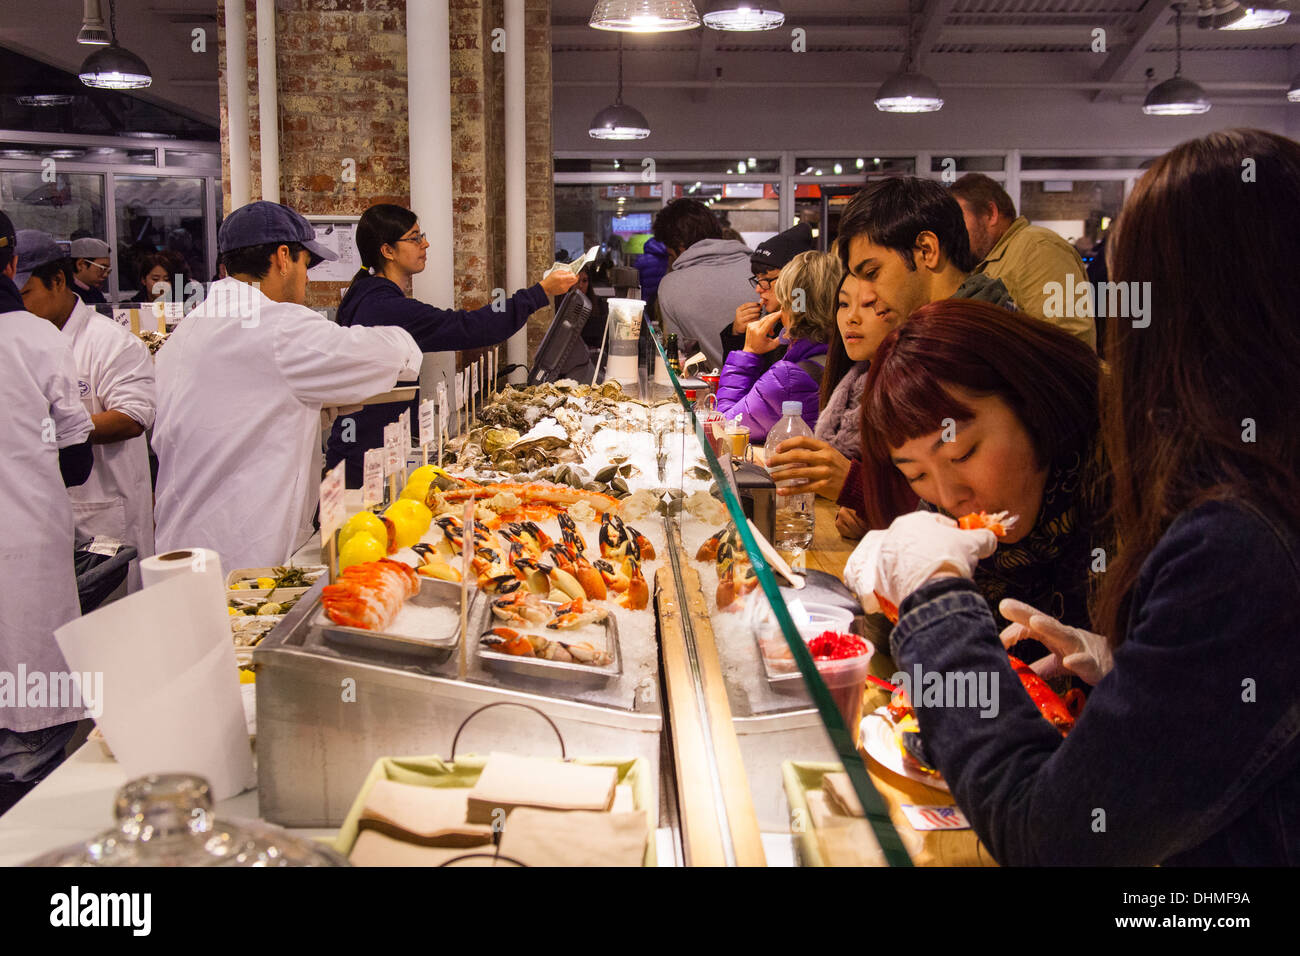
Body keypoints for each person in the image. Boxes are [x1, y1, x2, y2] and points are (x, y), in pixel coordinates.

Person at [845, 129, 1300, 865]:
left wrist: (934, 593)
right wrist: (1130, 667)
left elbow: (1050, 837)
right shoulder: (1250, 491)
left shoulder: (1233, 533)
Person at [153, 201, 425, 573]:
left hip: (181, 547)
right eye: (305, 264)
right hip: (243, 555)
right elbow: (382, 357)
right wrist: (406, 342)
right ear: (283, 257)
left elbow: (243, 407)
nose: (308, 278)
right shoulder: (277, 324)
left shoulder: (192, 326)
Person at [852, 299, 1106, 646]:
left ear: (1030, 405)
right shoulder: (945, 512)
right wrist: (888, 594)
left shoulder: (1136, 471)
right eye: (917, 476)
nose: (950, 497)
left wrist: (1122, 667)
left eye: (963, 453)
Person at [763, 178, 1017, 525]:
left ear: (927, 250)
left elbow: (978, 513)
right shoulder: (931, 341)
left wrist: (856, 486)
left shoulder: (976, 349)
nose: (865, 296)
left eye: (872, 272)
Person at [324, 204, 578, 487]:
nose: (425, 243)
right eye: (414, 238)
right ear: (388, 251)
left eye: (422, 235)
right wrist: (539, 292)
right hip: (366, 458)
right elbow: (471, 327)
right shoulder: (386, 307)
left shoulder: (366, 296)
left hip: (363, 448)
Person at [0, 212, 96, 813]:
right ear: (12, 265)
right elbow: (75, 460)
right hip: (24, 552)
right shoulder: (36, 339)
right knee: (30, 750)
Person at [16, 230, 156, 591]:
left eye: (25, 292)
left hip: (106, 515)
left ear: (58, 281)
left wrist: (57, 432)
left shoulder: (109, 342)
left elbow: (132, 417)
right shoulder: (21, 344)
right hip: (44, 517)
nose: (18, 304)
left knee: (116, 628)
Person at [949, 173, 1095, 348]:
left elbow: (1069, 338)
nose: (955, 233)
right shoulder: (994, 258)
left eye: (960, 221)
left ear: (990, 213)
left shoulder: (1037, 247)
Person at [714, 250, 839, 442]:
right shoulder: (846, 355)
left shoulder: (789, 377)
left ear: (794, 306)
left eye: (784, 304)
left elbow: (724, 427)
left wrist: (749, 353)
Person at [652, 198, 752, 370]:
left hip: (707, 391)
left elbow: (676, 356)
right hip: (769, 387)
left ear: (680, 247)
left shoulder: (670, 286)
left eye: (670, 253)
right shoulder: (761, 273)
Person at [720, 222, 815, 369]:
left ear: (793, 279)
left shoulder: (809, 334)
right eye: (757, 279)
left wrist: (750, 351)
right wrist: (737, 334)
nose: (758, 288)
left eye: (766, 279)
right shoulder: (774, 327)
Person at [69, 237, 111, 305]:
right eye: (102, 268)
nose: (105, 275)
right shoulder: (65, 293)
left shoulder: (95, 292)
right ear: (80, 264)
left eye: (108, 270)